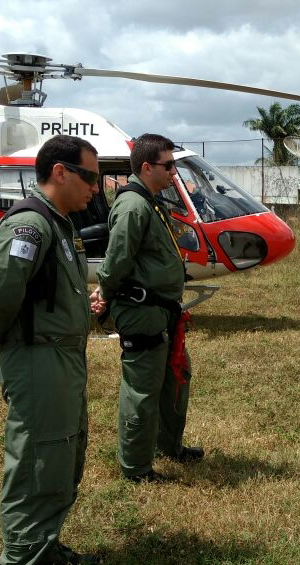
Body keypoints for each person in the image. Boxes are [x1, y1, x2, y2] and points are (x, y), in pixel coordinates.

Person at [0, 134, 100, 565]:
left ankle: (45, 547)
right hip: (41, 363)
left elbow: (40, 296)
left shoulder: (61, 225)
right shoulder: (30, 225)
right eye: (89, 177)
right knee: (36, 467)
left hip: (61, 361)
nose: (96, 187)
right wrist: (1, 336)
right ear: (60, 173)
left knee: (65, 455)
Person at [91, 133, 204, 482]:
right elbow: (118, 258)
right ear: (146, 167)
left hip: (164, 309)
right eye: (168, 165)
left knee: (174, 380)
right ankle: (136, 466)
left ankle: (169, 445)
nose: (174, 172)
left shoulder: (151, 201)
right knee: (141, 389)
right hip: (143, 310)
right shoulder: (133, 206)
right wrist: (105, 292)